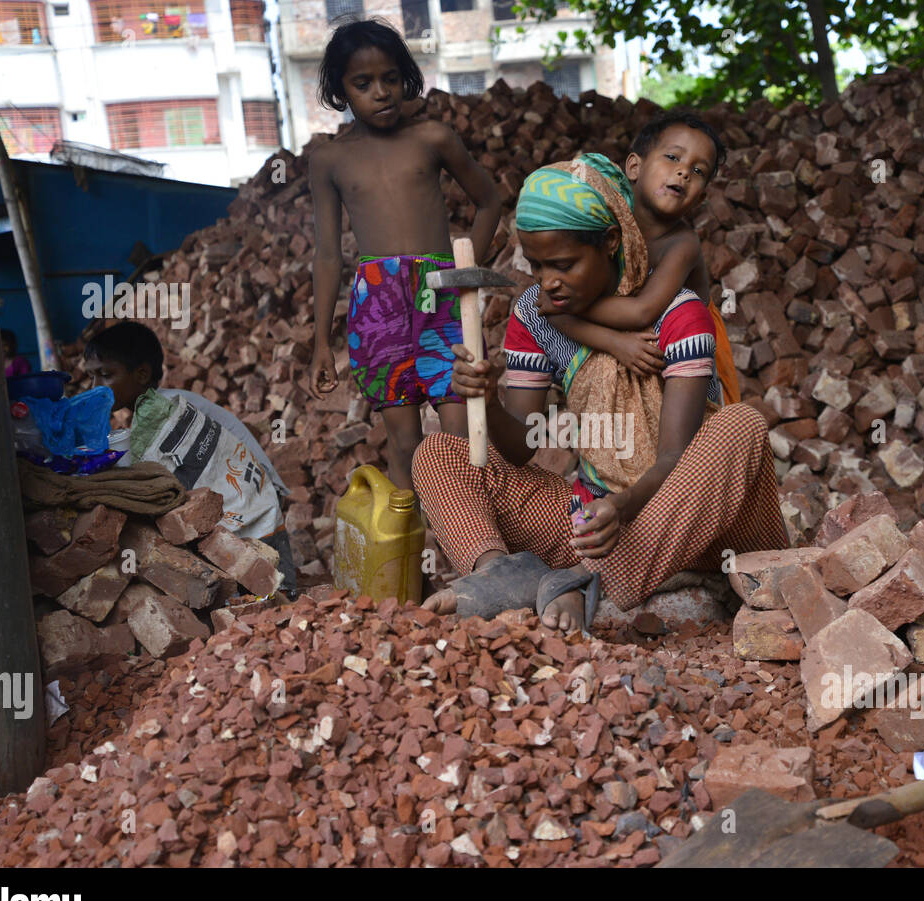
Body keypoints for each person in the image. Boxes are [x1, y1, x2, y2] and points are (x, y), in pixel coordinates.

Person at [416, 154, 787, 633]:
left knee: (742, 426)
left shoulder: (678, 314)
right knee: (439, 454)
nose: (548, 279)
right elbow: (520, 447)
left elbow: (675, 456)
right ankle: (500, 576)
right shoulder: (536, 313)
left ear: (611, 242)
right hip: (594, 524)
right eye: (537, 264)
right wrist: (486, 398)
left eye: (564, 264)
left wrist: (623, 508)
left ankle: (584, 582)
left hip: (698, 524)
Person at [305, 17, 502, 491]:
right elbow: (328, 256)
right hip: (376, 307)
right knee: (404, 440)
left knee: (463, 432)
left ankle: (473, 549)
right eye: (363, 83)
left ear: (405, 77)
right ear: (341, 90)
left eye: (391, 78)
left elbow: (490, 200)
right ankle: (408, 558)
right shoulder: (329, 159)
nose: (381, 92)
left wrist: (464, 271)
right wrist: (320, 344)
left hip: (441, 298)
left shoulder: (432, 138)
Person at [540, 111, 741, 404]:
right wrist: (614, 342)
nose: (684, 172)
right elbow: (553, 312)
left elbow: (641, 312)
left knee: (703, 436)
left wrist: (567, 303)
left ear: (700, 198)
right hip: (631, 348)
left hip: (691, 362)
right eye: (673, 157)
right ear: (634, 167)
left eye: (698, 171)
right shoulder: (605, 225)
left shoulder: (681, 244)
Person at [84, 321, 297, 595]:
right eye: (92, 377)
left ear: (141, 373)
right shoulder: (158, 405)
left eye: (105, 375)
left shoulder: (162, 410)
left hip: (255, 493)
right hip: (253, 487)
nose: (95, 387)